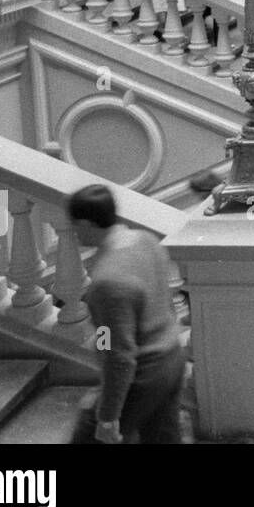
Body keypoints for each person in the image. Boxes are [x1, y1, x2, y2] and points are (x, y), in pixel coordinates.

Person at [67, 184, 185, 444]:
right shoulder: (148, 241)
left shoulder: (106, 281)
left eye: (74, 225)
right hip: (172, 359)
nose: (73, 233)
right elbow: (166, 303)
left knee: (90, 437)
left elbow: (118, 356)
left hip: (144, 375)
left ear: (87, 224)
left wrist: (107, 415)